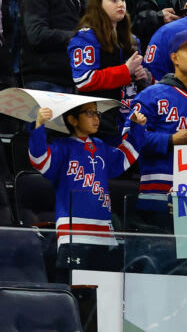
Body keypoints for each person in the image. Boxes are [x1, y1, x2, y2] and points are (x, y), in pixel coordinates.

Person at [29, 102, 145, 270]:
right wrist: (38, 126)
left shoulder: (100, 146)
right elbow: (40, 160)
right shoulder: (62, 147)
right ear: (72, 119)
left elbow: (124, 158)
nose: (96, 118)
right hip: (73, 233)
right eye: (89, 113)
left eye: (97, 113)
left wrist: (138, 127)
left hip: (103, 231)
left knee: (102, 287)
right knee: (76, 287)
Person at [126, 29, 187, 221]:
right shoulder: (149, 95)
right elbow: (129, 139)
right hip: (157, 193)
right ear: (175, 58)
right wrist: (171, 140)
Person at [69, 0, 151, 143]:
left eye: (123, 0)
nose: (120, 4)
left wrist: (144, 76)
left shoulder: (132, 40)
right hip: (100, 122)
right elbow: (84, 80)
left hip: (130, 118)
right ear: (98, 4)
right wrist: (125, 71)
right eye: (114, 0)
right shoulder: (85, 37)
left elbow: (143, 79)